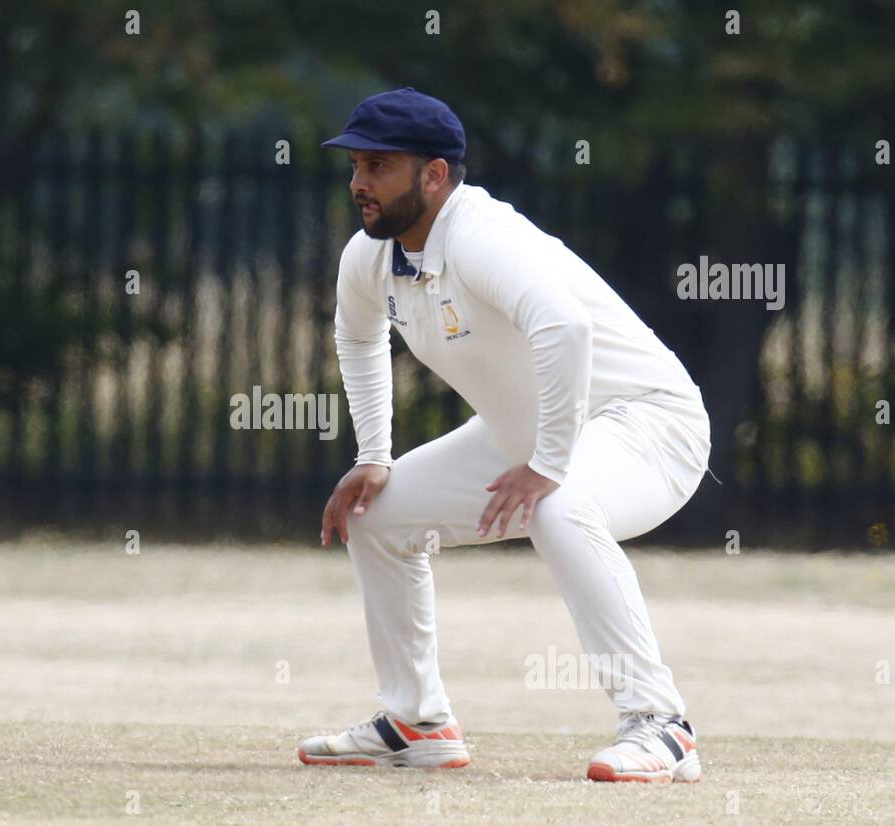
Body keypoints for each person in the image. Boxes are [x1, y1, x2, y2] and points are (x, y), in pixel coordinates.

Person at [299, 87, 715, 782]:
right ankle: (416, 721)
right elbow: (357, 336)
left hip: (650, 422)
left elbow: (566, 328)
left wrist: (549, 462)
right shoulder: (370, 258)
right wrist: (374, 455)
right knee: (377, 514)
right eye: (356, 167)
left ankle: (661, 725)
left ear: (434, 176)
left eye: (378, 167)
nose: (359, 185)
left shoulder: (482, 237)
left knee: (560, 505)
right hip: (525, 434)